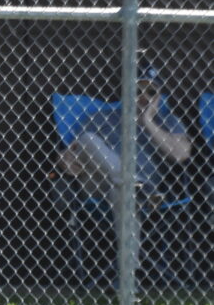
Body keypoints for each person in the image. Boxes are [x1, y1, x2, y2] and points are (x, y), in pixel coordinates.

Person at [58, 62, 192, 279]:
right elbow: (72, 153)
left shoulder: (167, 121)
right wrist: (63, 160)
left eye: (151, 92)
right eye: (137, 90)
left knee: (123, 191)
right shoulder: (100, 118)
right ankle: (135, 183)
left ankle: (128, 273)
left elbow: (181, 154)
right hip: (96, 186)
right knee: (88, 139)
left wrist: (147, 121)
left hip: (132, 194)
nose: (143, 96)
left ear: (159, 97)